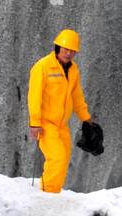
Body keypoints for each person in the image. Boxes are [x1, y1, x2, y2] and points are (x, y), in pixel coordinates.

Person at [28, 28, 93, 194]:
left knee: (63, 161)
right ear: (57, 47)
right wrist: (34, 123)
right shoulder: (42, 67)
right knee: (57, 158)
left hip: (62, 126)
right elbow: (34, 96)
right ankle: (48, 194)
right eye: (66, 49)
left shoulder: (73, 70)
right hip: (45, 124)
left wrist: (86, 118)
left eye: (72, 51)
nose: (69, 53)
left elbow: (77, 96)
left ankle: (51, 191)